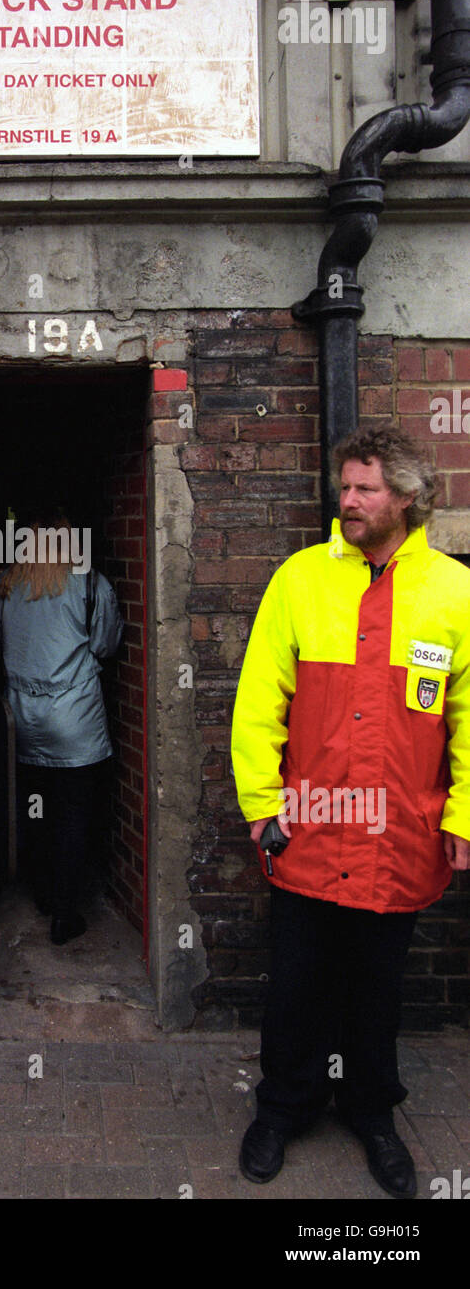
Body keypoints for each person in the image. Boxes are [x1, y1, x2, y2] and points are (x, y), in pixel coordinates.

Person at [230, 421, 470, 1199]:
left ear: (407, 497)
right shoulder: (301, 578)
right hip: (311, 824)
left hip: (401, 833)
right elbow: (259, 702)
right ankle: (282, 1107)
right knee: (296, 983)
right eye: (345, 487)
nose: (349, 501)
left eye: (365, 488)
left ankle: (372, 1112)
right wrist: (262, 806)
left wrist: (463, 816)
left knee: (377, 989)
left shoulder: (455, 593)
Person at [0, 514, 124, 944]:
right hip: (74, 724)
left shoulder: (5, 586)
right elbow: (107, 643)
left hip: (22, 723)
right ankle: (65, 914)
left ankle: (44, 894)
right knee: (73, 817)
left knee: (36, 812)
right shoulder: (88, 584)